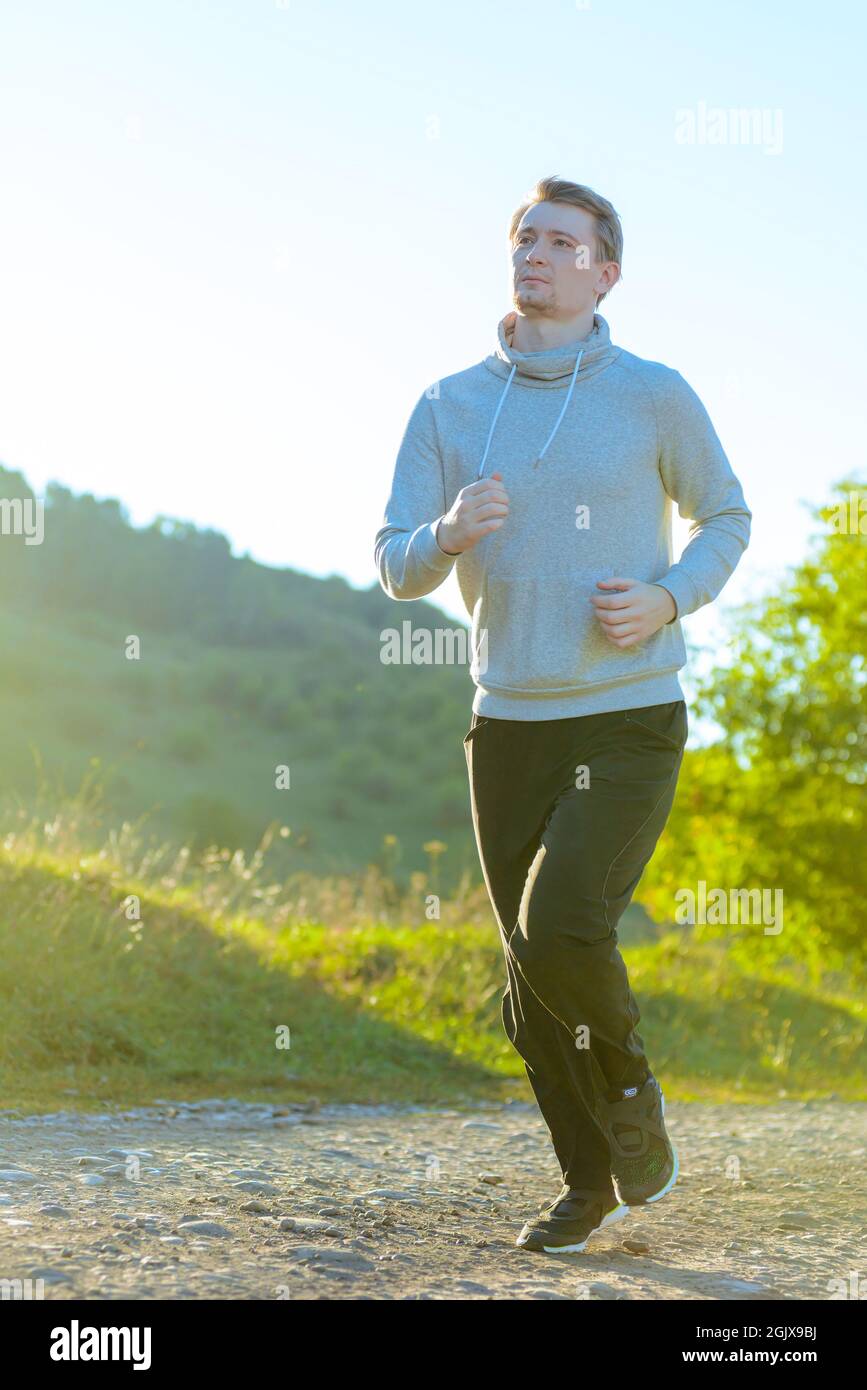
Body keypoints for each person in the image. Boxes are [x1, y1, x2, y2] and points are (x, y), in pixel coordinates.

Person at [374, 175, 751, 1255]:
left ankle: (632, 1088)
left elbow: (728, 513)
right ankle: (590, 1186)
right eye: (524, 238)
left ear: (605, 270)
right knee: (529, 985)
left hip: (630, 713)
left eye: (561, 241)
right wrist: (446, 533)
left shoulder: (654, 394)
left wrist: (670, 595)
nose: (535, 254)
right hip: (509, 723)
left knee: (562, 924)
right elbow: (394, 561)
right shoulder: (447, 405)